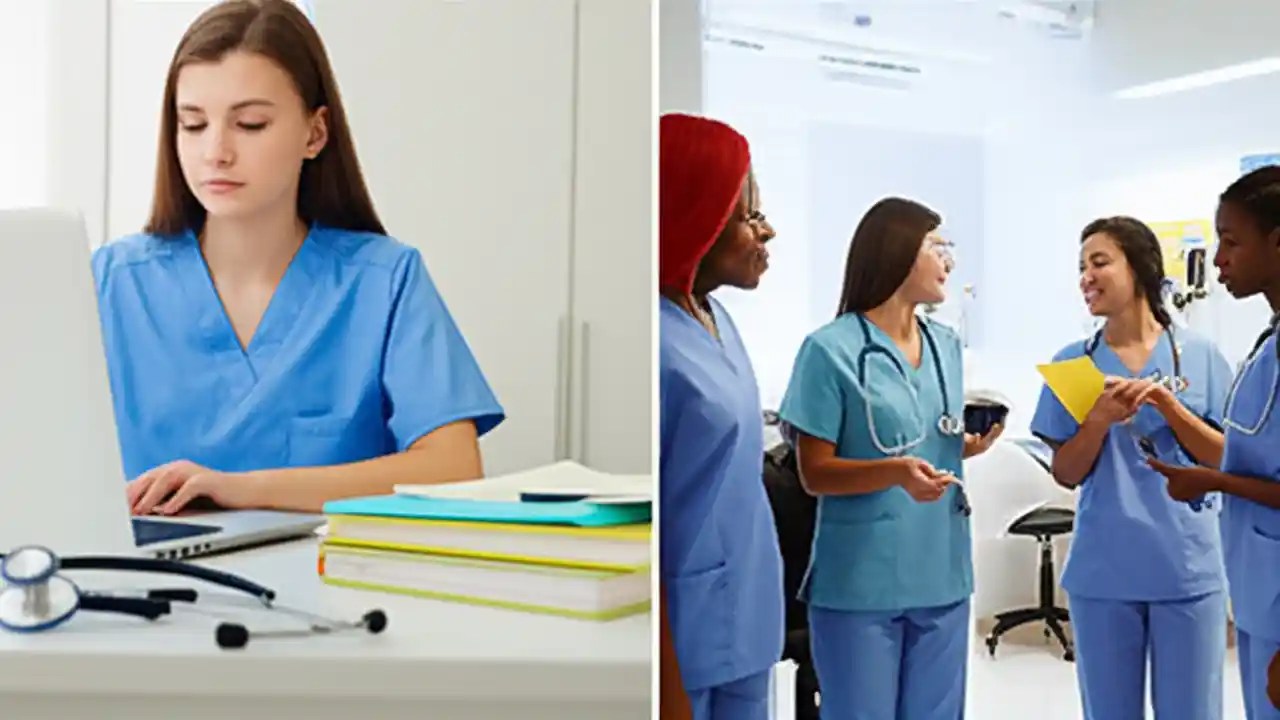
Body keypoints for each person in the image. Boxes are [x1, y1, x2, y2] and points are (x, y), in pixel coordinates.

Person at [93, 0, 504, 516]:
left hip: (333, 584)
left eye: (250, 124)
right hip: (142, 587)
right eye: (193, 124)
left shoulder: (384, 281)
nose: (215, 151)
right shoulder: (109, 283)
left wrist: (239, 489)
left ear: (315, 133)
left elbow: (453, 468)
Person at [777, 197, 1002, 718]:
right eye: (937, 246)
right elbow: (815, 472)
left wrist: (963, 447)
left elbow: (925, 434)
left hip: (942, 573)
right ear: (898, 252)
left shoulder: (945, 344)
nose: (949, 260)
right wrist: (896, 473)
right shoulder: (829, 350)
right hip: (861, 584)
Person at [1029, 216, 1233, 720]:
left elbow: (1225, 457)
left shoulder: (1201, 356)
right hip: (1105, 572)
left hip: (1185, 570)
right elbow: (1066, 472)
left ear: (1139, 267)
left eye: (1099, 262)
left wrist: (1169, 406)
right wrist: (1097, 421)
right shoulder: (1074, 363)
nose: (1086, 277)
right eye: (1081, 267)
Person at [657, 112, 783, 720]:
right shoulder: (653, 338)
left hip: (747, 617)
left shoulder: (715, 318)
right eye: (748, 215)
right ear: (694, 215)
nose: (768, 231)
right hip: (683, 636)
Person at [1146, 166, 1280, 720]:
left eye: (1231, 242)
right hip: (1260, 597)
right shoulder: (1268, 341)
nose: (1219, 259)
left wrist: (1216, 481)